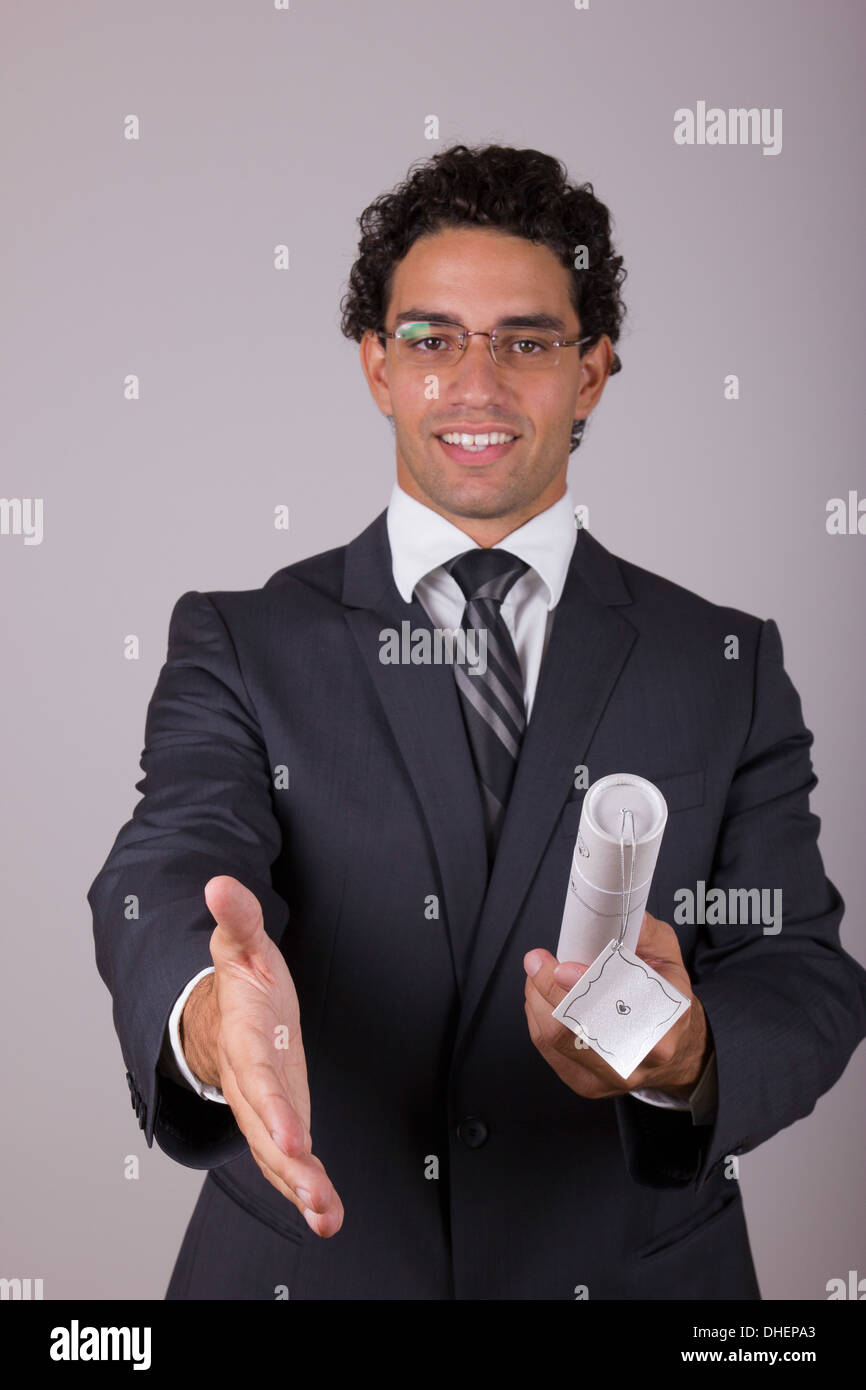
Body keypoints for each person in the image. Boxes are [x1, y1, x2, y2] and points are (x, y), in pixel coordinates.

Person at [88, 143, 866, 1300]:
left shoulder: (723, 661)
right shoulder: (241, 640)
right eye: (431, 338)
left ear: (591, 372)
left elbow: (798, 966)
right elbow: (167, 864)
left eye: (526, 340)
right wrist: (211, 1016)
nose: (476, 382)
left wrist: (690, 1051)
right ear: (377, 367)